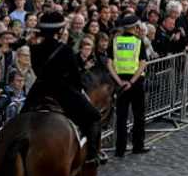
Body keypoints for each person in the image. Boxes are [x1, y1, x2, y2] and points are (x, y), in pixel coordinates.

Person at [24, 11, 106, 163]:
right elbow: (75, 78)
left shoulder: (34, 49)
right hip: (62, 92)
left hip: (38, 91)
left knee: (21, 120)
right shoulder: (66, 49)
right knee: (94, 117)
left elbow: (37, 71)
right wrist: (78, 87)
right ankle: (92, 156)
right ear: (60, 30)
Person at [105, 13, 148, 157]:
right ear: (135, 27)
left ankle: (120, 149)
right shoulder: (138, 42)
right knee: (138, 116)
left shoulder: (115, 42)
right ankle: (137, 146)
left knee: (121, 117)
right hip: (135, 84)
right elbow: (142, 64)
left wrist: (120, 81)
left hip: (120, 84)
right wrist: (131, 81)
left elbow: (109, 64)